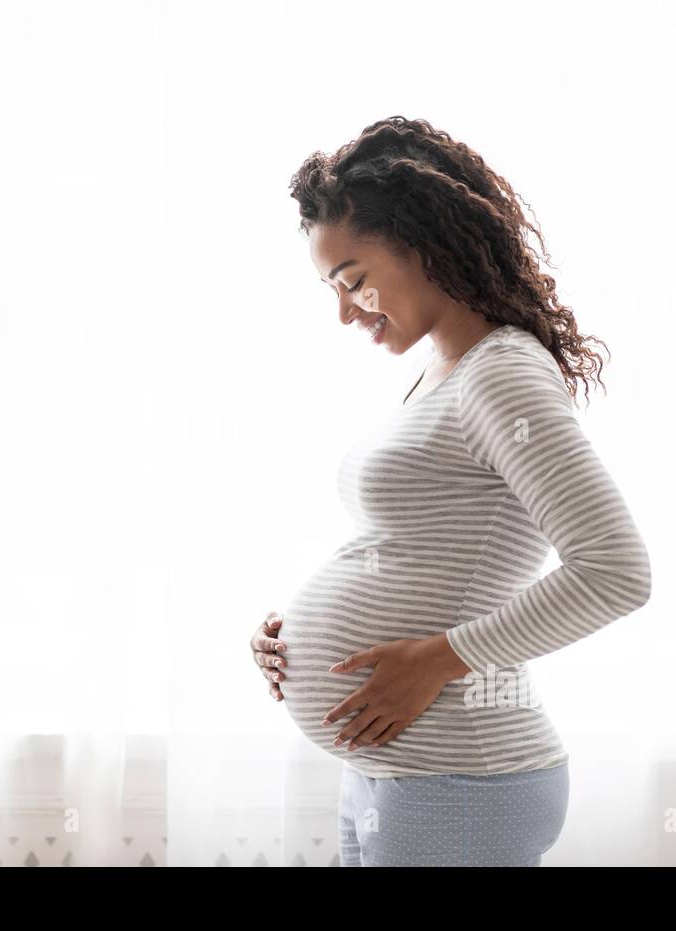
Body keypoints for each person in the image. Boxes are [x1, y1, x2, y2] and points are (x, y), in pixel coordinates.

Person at [249, 116, 651, 866]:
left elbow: (616, 571)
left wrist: (438, 658)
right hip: (399, 768)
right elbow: (416, 552)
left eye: (355, 281)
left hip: (460, 775)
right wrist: (291, 642)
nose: (344, 311)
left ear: (423, 242)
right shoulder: (446, 373)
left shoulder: (500, 372)